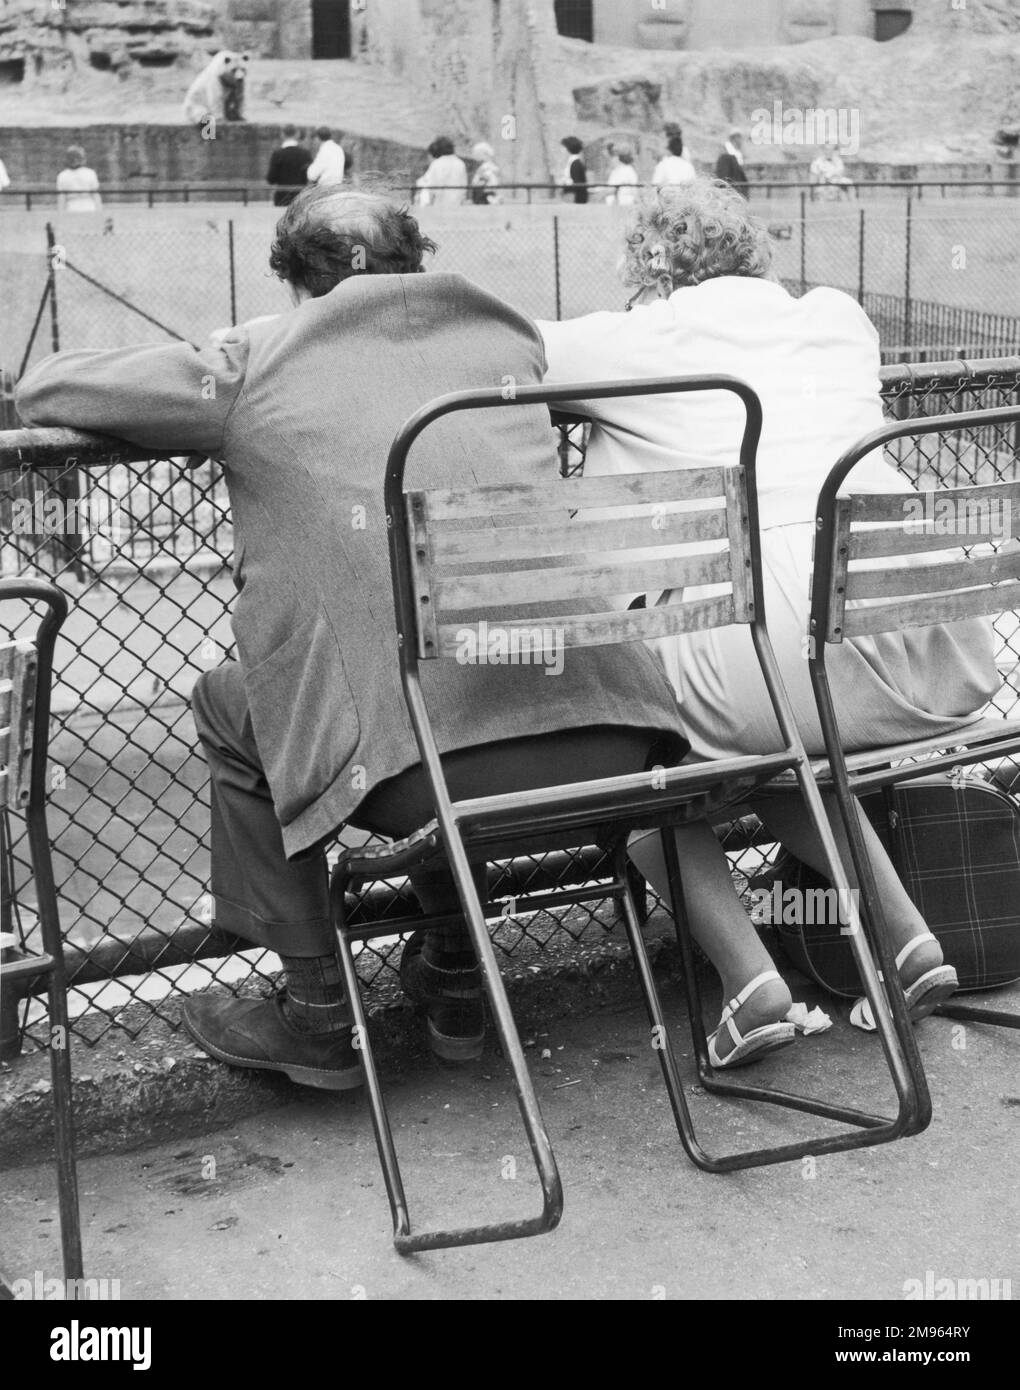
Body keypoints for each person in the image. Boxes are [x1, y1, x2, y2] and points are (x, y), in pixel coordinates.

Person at [16, 187, 689, 1087]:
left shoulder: (261, 358)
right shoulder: (507, 339)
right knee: (433, 669)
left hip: (425, 780)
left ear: (299, 278)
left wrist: (231, 347)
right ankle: (453, 970)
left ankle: (320, 1011)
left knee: (242, 702)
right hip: (622, 744)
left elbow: (49, 384)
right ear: (415, 257)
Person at [536, 179, 997, 1064]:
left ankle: (750, 984)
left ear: (649, 273)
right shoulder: (838, 318)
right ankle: (907, 946)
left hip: (768, 652)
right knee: (784, 739)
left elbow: (493, 355)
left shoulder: (635, 337)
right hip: (920, 648)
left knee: (637, 752)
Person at [415, 135, 468, 207]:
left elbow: (431, 187)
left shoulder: (437, 164)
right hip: (456, 206)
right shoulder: (460, 163)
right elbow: (464, 188)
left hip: (440, 205)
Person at [266, 124, 312, 207]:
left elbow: (271, 179)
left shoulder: (277, 154)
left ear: (282, 135)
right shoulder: (306, 154)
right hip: (301, 197)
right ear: (297, 134)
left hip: (282, 197)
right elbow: (310, 176)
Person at [56, 146, 101, 213]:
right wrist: (99, 212)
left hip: (74, 210)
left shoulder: (62, 175)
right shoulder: (90, 173)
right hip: (88, 209)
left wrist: (60, 215)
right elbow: (96, 196)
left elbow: (61, 199)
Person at [714, 129, 749, 197]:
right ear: (734, 138)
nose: (741, 140)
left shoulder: (738, 150)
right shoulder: (726, 150)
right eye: (739, 137)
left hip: (737, 183)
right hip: (729, 182)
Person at [559, 135, 588, 204]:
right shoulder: (573, 162)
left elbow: (577, 183)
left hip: (575, 198)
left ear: (568, 149)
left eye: (563, 148)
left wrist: (564, 187)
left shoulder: (575, 163)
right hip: (571, 196)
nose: (561, 150)